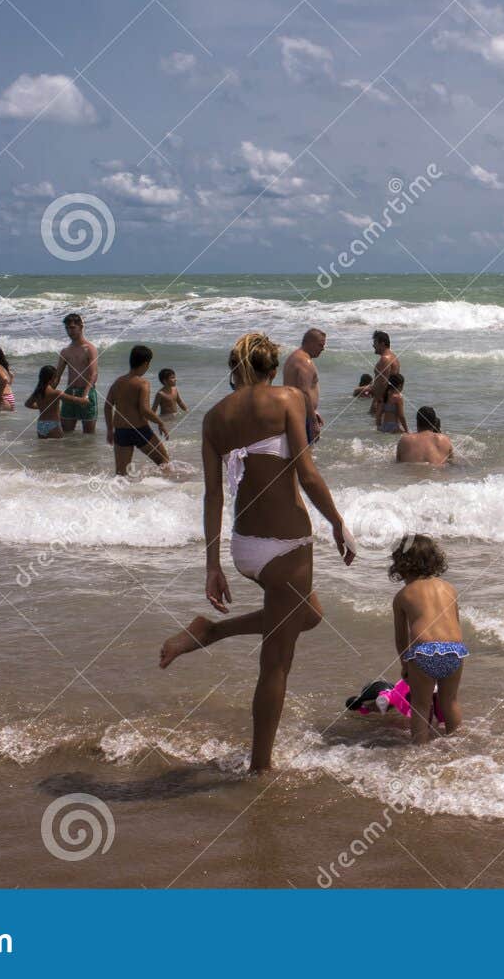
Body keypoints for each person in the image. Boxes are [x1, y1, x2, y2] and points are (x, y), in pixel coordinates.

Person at [157, 332, 355, 775]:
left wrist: (213, 565)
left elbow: (213, 496)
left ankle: (211, 631)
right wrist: (338, 522)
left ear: (235, 371)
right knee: (276, 665)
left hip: (243, 547)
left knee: (308, 615)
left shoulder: (213, 418)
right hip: (287, 547)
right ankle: (259, 769)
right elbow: (307, 472)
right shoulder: (289, 399)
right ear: (273, 367)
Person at [390, 534, 466, 744]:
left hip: (424, 652)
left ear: (401, 565)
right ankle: (457, 744)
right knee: (450, 702)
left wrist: (405, 663)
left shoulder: (403, 595)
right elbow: (455, 624)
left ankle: (420, 751)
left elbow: (401, 638)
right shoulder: (449, 589)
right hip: (455, 651)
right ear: (434, 560)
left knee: (420, 705)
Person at [104, 345, 170, 475]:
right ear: (146, 363)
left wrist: (109, 430)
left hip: (121, 431)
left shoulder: (118, 382)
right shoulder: (142, 383)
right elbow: (145, 410)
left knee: (121, 474)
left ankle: (120, 494)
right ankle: (166, 492)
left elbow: (107, 406)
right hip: (140, 430)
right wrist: (160, 422)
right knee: (164, 461)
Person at [55, 312, 100, 433]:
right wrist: (48, 392)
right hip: (69, 393)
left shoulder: (89, 349)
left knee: (88, 435)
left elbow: (93, 374)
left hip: (87, 392)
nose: (70, 331)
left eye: (73, 328)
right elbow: (57, 376)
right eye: (67, 328)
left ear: (81, 326)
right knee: (66, 433)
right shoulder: (65, 351)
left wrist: (85, 395)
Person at [283, 328, 326, 442]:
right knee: (305, 454)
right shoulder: (304, 361)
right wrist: (313, 422)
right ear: (310, 342)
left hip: (296, 413)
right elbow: (304, 392)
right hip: (301, 416)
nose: (323, 349)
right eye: (320, 345)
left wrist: (313, 411)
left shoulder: (295, 357)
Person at [25, 365, 75, 439]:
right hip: (54, 424)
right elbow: (75, 400)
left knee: (43, 448)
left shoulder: (37, 392)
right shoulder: (56, 393)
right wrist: (85, 399)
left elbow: (28, 404)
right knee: (56, 448)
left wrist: (41, 406)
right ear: (51, 379)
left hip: (41, 425)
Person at [369, 330, 399, 418]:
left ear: (382, 343)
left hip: (383, 402)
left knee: (379, 429)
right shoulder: (394, 357)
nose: (373, 345)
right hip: (391, 401)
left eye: (375, 343)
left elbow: (382, 383)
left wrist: (375, 403)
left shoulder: (385, 359)